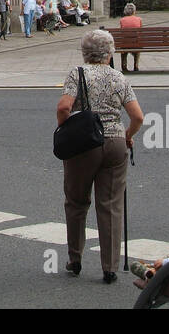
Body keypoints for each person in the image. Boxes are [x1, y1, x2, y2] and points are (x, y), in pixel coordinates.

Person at [57, 29, 144, 283]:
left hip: (84, 143)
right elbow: (138, 116)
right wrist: (128, 134)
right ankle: (110, 267)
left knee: (76, 202)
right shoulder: (119, 77)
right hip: (115, 140)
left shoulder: (77, 73)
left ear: (85, 52)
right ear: (110, 53)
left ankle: (75, 260)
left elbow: (64, 106)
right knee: (110, 206)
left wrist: (64, 128)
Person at [118, 2, 143, 72]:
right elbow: (141, 32)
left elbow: (121, 32)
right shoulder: (139, 19)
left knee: (124, 48)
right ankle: (136, 65)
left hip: (125, 44)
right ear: (134, 11)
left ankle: (124, 66)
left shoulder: (122, 20)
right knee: (137, 48)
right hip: (136, 44)